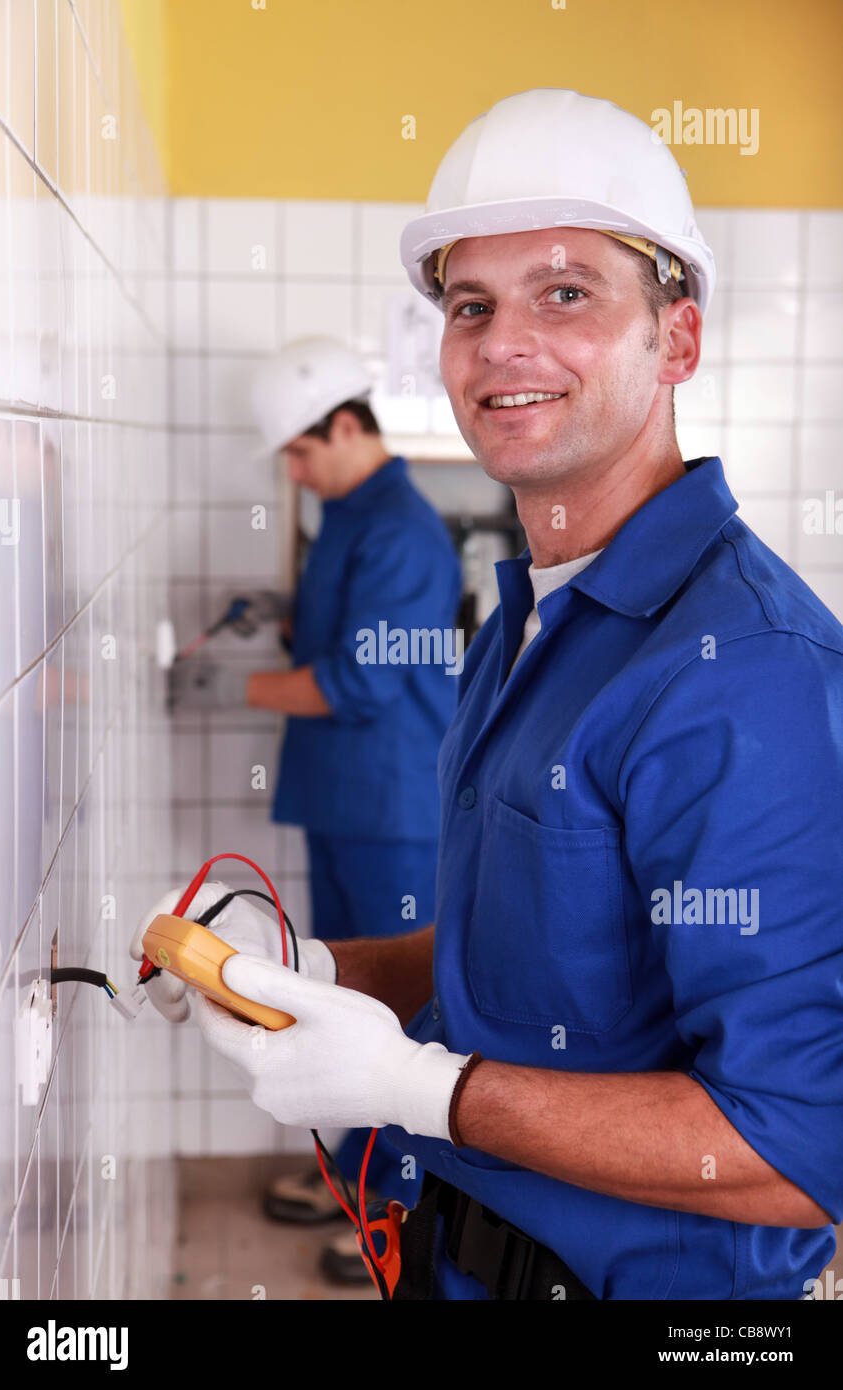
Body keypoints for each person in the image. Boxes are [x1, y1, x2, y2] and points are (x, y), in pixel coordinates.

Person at [157, 91, 843, 1300]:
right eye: (470, 305)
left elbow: (800, 1152)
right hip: (455, 1254)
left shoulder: (747, 670)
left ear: (676, 340)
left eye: (565, 292)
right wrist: (319, 970)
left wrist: (423, 1090)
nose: (501, 342)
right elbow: (540, 944)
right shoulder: (530, 614)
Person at [137, 338, 462, 1284]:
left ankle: (396, 1202)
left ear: (350, 424)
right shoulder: (352, 517)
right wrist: (278, 615)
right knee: (341, 991)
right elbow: (341, 637)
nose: (293, 468)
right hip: (350, 799)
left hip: (392, 805)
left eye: (301, 450)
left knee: (399, 1007)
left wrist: (218, 686)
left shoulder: (398, 527)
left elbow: (358, 682)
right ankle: (357, 1174)